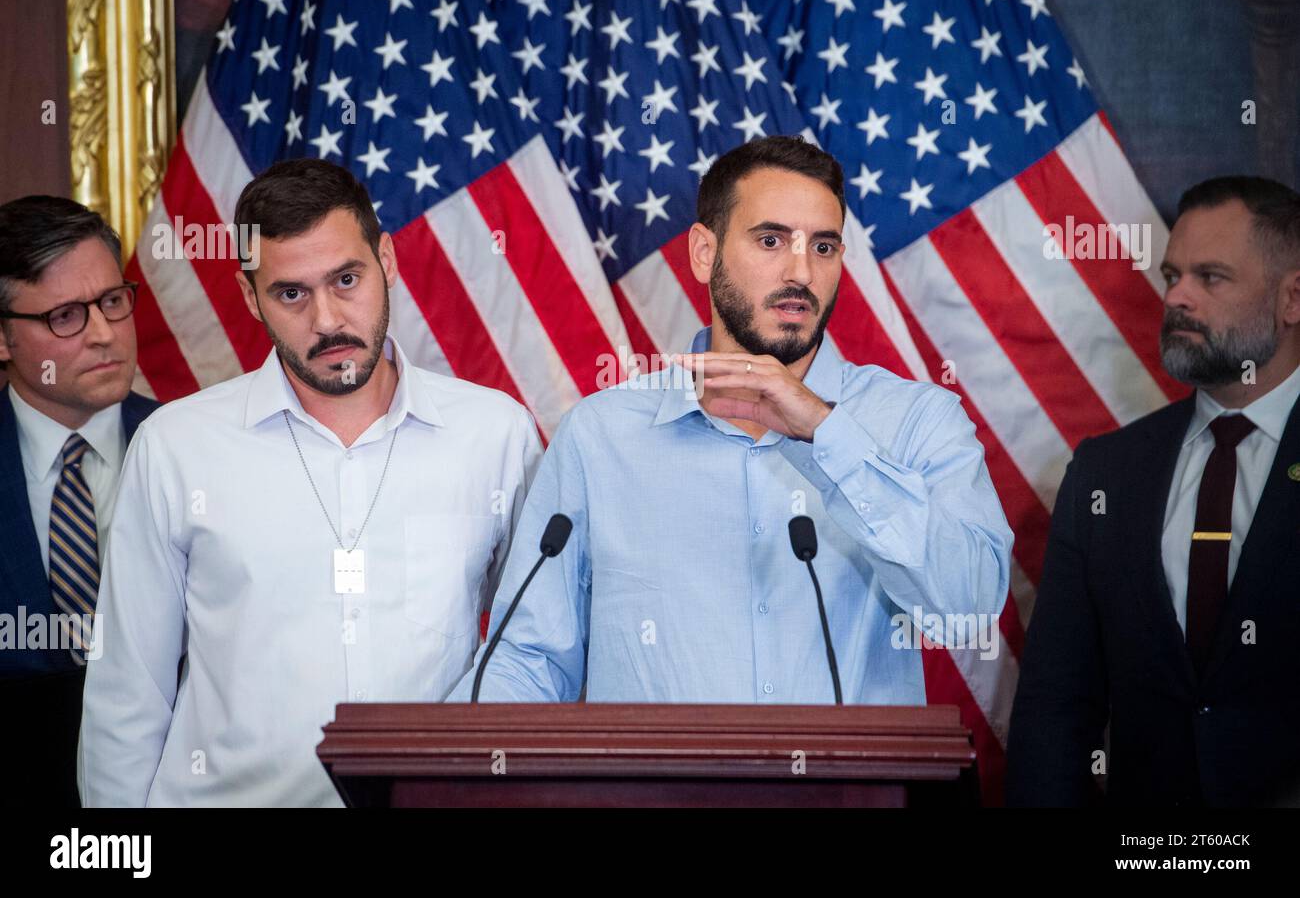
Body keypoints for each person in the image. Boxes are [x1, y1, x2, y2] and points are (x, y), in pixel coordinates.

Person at [453, 135, 1012, 705]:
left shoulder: (917, 420)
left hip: (850, 795)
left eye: (823, 247)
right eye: (771, 240)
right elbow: (529, 661)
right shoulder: (600, 436)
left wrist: (826, 433)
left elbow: (968, 614)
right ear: (703, 252)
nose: (801, 271)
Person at [79, 159, 541, 806]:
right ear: (249, 296)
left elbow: (536, 649)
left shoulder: (496, 436)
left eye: (346, 279)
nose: (326, 320)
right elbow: (128, 693)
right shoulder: (174, 448)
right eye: (291, 293)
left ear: (388, 261)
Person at [1007, 176, 1300, 807]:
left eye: (1211, 277)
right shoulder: (1106, 473)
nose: (1177, 297)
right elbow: (1056, 705)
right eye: (1172, 275)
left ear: (1293, 298)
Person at [0, 196, 158, 807]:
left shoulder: (206, 457)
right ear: (5, 337)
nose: (104, 334)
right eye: (66, 315)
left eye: (113, 302)